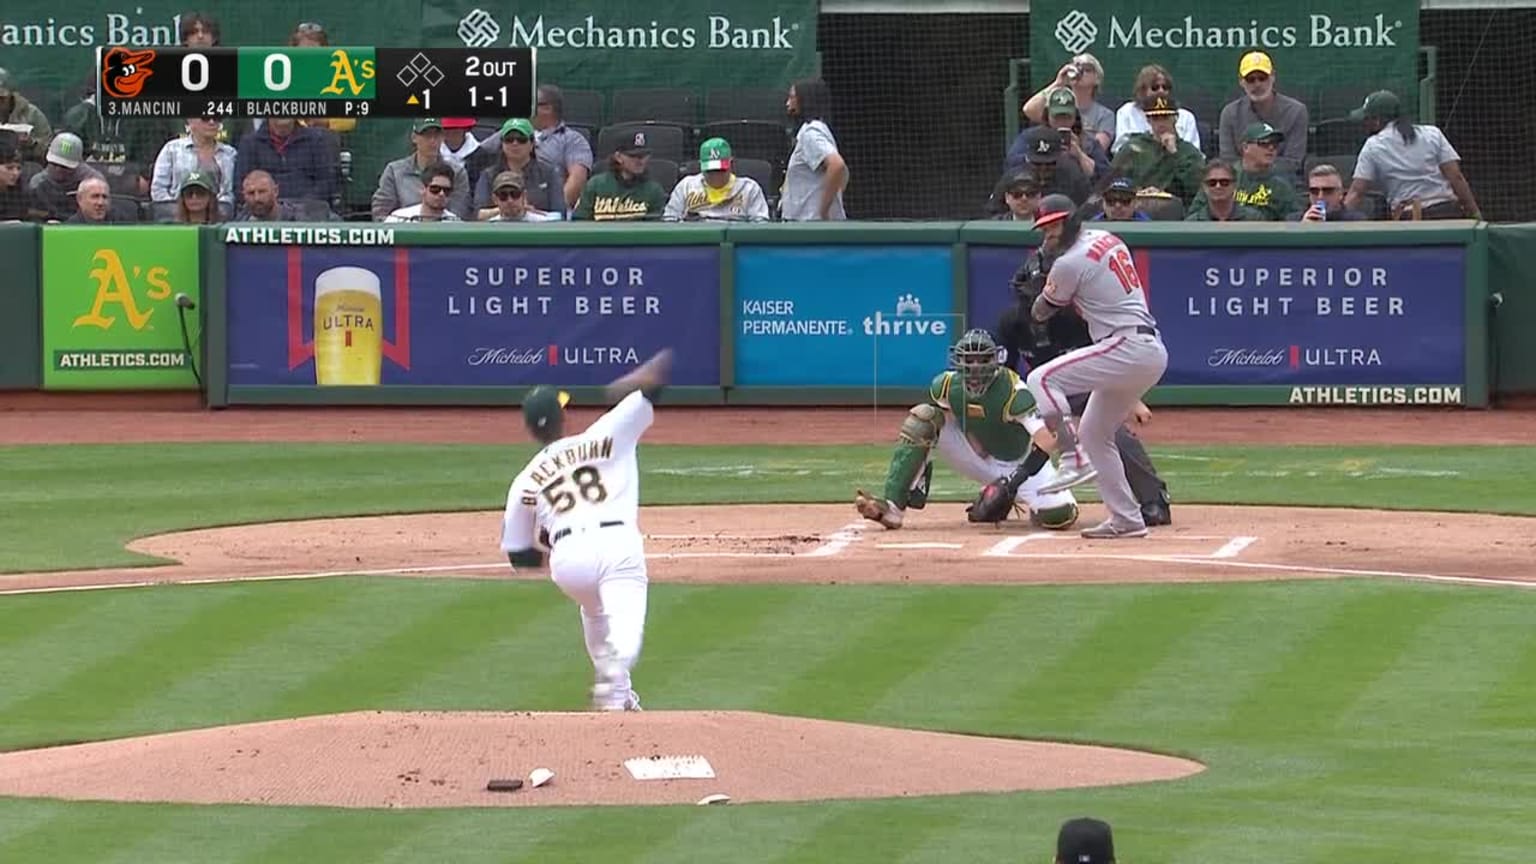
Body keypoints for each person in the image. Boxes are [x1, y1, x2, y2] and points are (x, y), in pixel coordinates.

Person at [499, 348, 674, 712]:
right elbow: (655, 383)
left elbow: (519, 554)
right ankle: (612, 683)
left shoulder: (525, 480)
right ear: (564, 416)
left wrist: (555, 552)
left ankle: (621, 697)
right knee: (625, 624)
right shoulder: (605, 432)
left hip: (569, 561)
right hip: (616, 544)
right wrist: (630, 383)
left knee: (595, 612)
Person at [993, 235, 1171, 525]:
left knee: (1107, 428)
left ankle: (1152, 498)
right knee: (1020, 412)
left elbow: (1115, 357)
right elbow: (1006, 372)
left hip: (1086, 382)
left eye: (1032, 289)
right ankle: (1008, 485)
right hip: (1040, 392)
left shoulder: (1075, 315)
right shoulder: (1012, 321)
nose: (1028, 297)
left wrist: (1132, 399)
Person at [853, 329, 1082, 532]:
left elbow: (1046, 440)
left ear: (995, 361)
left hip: (1022, 467)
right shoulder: (945, 385)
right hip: (977, 458)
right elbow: (949, 417)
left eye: (981, 360)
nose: (975, 368)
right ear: (958, 361)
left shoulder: (1014, 391)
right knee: (924, 417)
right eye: (969, 361)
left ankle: (1018, 501)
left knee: (1059, 516)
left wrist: (1012, 483)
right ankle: (892, 508)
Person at [1345, 90, 1480, 221]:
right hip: (1447, 213)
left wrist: (1335, 223)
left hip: (1409, 220)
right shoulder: (1433, 134)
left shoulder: (1373, 145)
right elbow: (1456, 177)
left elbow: (1357, 192)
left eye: (1367, 119)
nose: (1364, 123)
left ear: (1377, 120)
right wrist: (1475, 213)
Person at [1217, 51, 1308, 180]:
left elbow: (1293, 162)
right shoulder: (1229, 113)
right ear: (1241, 81)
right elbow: (1228, 160)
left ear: (1273, 77)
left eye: (1262, 78)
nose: (1257, 84)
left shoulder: (1296, 111)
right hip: (1241, 183)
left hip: (1284, 182)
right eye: (1250, 79)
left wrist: (1255, 166)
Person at [1107, 95, 1204, 208]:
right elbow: (1112, 183)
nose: (1161, 123)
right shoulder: (1132, 148)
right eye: (1156, 118)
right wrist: (1138, 191)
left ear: (1175, 118)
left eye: (1165, 117)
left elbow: (1195, 188)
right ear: (1148, 120)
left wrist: (1174, 153)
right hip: (1135, 208)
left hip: (1176, 213)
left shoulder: (1189, 152)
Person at [781, 77, 847, 221]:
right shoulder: (820, 129)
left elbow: (837, 166)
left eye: (792, 97)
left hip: (810, 227)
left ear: (805, 100)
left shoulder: (810, 133)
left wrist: (823, 212)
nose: (787, 103)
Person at [1021, 54, 1115, 151]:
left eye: (1087, 69)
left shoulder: (1104, 115)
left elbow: (1099, 148)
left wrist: (1076, 139)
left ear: (1097, 79)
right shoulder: (1055, 107)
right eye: (1076, 68)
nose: (1080, 72)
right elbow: (1028, 110)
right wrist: (1058, 83)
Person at [663, 137, 770, 222]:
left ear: (731, 164)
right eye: (710, 171)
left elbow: (760, 225)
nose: (716, 176)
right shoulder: (686, 187)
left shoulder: (749, 189)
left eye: (720, 170)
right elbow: (670, 220)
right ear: (701, 166)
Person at [573, 132, 667, 221]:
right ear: (618, 157)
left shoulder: (654, 190)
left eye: (644, 156)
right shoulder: (596, 185)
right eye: (634, 156)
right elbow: (579, 221)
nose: (641, 161)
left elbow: (656, 229)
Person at [383, 161, 463, 222]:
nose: (441, 194)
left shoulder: (456, 224)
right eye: (435, 189)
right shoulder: (397, 219)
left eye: (446, 191)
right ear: (423, 189)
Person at [1294, 163, 1367, 223]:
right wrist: (1302, 228)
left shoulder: (1356, 221)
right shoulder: (1295, 220)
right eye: (1314, 191)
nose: (1320, 196)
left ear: (1340, 194)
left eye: (1328, 191)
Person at [483, 170, 561, 222]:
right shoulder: (490, 226)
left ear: (524, 196)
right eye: (503, 195)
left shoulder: (542, 223)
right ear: (495, 199)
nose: (510, 200)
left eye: (515, 194)